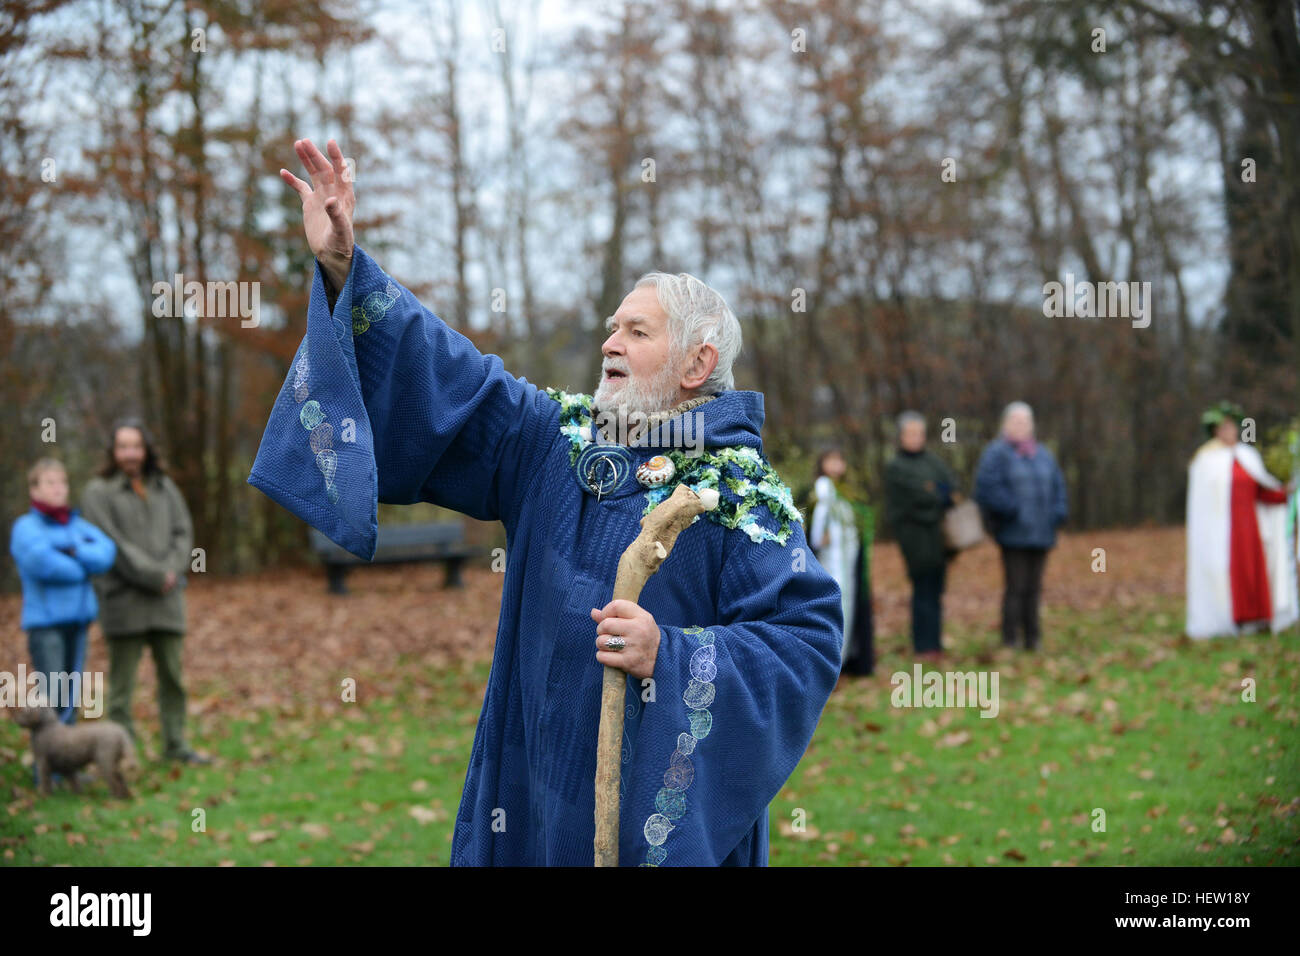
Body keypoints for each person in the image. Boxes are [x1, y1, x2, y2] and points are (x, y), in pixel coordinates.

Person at [249, 137, 841, 866]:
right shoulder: (555, 442)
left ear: (698, 363)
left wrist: (673, 655)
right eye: (610, 325)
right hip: (527, 802)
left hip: (640, 823)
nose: (608, 342)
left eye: (636, 330)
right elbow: (455, 377)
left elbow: (805, 639)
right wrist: (346, 265)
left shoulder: (739, 498)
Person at [81, 419, 209, 765]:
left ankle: (176, 746)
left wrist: (173, 568)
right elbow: (110, 544)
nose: (130, 454)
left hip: (167, 601)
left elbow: (184, 532)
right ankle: (122, 756)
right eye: (123, 447)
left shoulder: (165, 487)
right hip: (124, 603)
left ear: (146, 450)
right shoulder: (97, 492)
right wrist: (156, 575)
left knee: (173, 678)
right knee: (122, 687)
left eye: (135, 446)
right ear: (113, 452)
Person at [10, 458, 117, 786]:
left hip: (79, 622)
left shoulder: (75, 525)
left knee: (70, 695)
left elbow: (106, 552)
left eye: (62, 482)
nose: (59, 488)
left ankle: (66, 766)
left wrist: (75, 553)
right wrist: (79, 562)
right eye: (50, 482)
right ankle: (44, 769)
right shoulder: (26, 527)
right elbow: (44, 563)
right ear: (34, 489)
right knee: (52, 695)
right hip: (46, 626)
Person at [1185, 401, 1298, 638]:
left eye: (1232, 427)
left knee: (1254, 569)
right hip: (1222, 531)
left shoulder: (1247, 455)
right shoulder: (1205, 461)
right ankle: (1233, 619)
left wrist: (1283, 493)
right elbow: (1203, 505)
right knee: (1229, 573)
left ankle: (1258, 617)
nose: (1229, 432)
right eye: (1223, 428)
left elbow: (1261, 489)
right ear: (1215, 431)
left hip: (1251, 527)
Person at [974, 401, 1067, 651]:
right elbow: (986, 489)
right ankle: (1010, 638)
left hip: (1042, 532)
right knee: (1016, 587)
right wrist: (1011, 510)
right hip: (1012, 532)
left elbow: (1058, 486)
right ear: (1005, 424)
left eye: (1025, 421)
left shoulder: (1043, 454)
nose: (1021, 426)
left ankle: (1033, 638)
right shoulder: (996, 453)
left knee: (1035, 588)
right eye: (1016, 421)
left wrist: (1058, 513)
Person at [885, 412, 955, 661]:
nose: (915, 438)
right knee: (922, 592)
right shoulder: (896, 466)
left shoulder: (933, 462)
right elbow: (915, 499)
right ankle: (923, 646)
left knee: (936, 591)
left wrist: (934, 492)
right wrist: (933, 493)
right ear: (901, 437)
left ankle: (935, 642)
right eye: (910, 433)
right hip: (914, 540)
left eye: (919, 433)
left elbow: (949, 488)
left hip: (939, 540)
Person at [808, 449, 874, 676]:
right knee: (830, 607)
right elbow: (810, 527)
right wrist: (817, 538)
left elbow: (860, 524)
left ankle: (847, 658)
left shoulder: (850, 495)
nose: (836, 466)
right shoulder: (815, 493)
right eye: (830, 460)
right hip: (828, 564)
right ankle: (828, 660)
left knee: (850, 608)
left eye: (839, 460)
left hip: (849, 563)